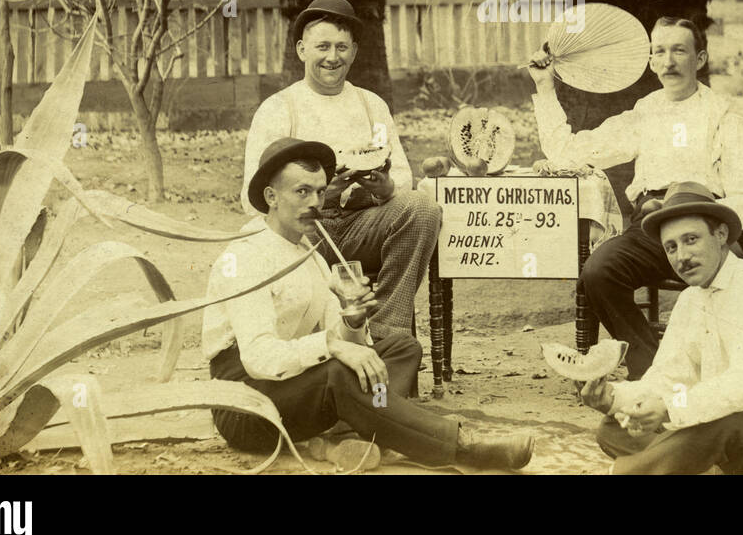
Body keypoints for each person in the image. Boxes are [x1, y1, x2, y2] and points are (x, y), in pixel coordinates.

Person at [206, 137, 535, 470]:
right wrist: (334, 345)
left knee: (401, 347)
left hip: (293, 385)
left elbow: (350, 344)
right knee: (338, 372)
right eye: (301, 192)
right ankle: (459, 446)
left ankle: (359, 428)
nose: (315, 203)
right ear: (270, 197)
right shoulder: (245, 256)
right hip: (247, 406)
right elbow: (259, 359)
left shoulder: (310, 254)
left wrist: (352, 319)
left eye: (320, 192)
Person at [528, 15, 743, 378]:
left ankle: (716, 377)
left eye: (679, 50)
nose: (668, 61)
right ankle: (649, 366)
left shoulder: (725, 117)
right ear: (651, 62)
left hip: (704, 225)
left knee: (734, 288)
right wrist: (544, 87)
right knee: (598, 270)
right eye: (660, 52)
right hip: (651, 227)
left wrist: (714, 228)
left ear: (699, 59)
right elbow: (568, 152)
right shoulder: (646, 112)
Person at [578, 182, 743, 474]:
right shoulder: (690, 300)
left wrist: (669, 409)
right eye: (671, 247)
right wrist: (613, 398)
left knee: (717, 428)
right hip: (716, 423)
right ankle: (696, 466)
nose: (681, 256)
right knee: (614, 427)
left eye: (691, 239)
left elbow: (742, 387)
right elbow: (668, 377)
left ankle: (633, 471)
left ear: (720, 235)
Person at [241, 0, 440, 330]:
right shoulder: (279, 108)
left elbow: (403, 177)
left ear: (354, 52)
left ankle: (386, 329)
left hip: (362, 223)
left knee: (423, 209)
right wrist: (317, 195)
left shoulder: (371, 105)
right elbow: (252, 198)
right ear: (302, 50)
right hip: (305, 230)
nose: (332, 58)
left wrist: (386, 187)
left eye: (342, 47)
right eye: (322, 47)